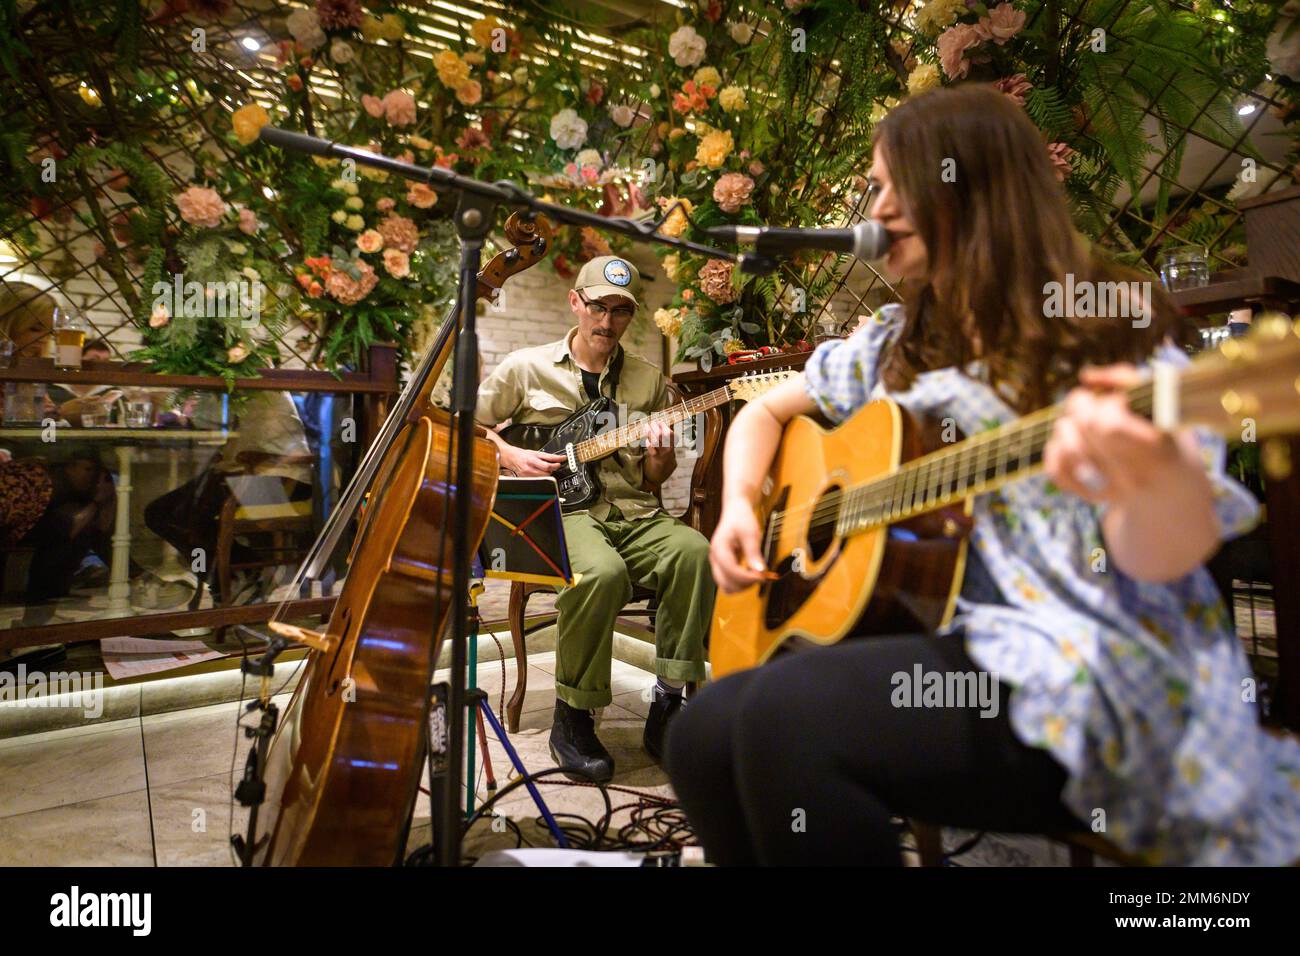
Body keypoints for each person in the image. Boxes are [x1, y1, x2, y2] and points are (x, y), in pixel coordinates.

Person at [664, 85, 1300, 866]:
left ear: (972, 185)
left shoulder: (1107, 327)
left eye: (894, 185)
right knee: (699, 734)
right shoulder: (896, 341)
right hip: (955, 643)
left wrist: (1140, 478)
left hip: (1097, 671)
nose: (875, 207)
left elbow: (1169, 553)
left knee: (784, 721)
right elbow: (761, 413)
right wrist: (738, 506)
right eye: (873, 187)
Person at [475, 255, 713, 782]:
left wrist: (661, 453)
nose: (607, 322)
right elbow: (465, 424)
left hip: (634, 510)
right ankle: (574, 717)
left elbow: (653, 478)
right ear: (575, 303)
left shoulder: (648, 380)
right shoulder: (526, 367)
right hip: (562, 512)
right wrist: (509, 454)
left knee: (695, 553)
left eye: (620, 311)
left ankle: (668, 701)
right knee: (601, 573)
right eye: (598, 307)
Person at [143, 390, 313, 604]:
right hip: (241, 473)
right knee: (163, 514)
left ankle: (228, 577)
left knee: (178, 516)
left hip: (279, 478)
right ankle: (240, 570)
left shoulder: (260, 386)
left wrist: (176, 408)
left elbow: (206, 420)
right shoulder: (243, 385)